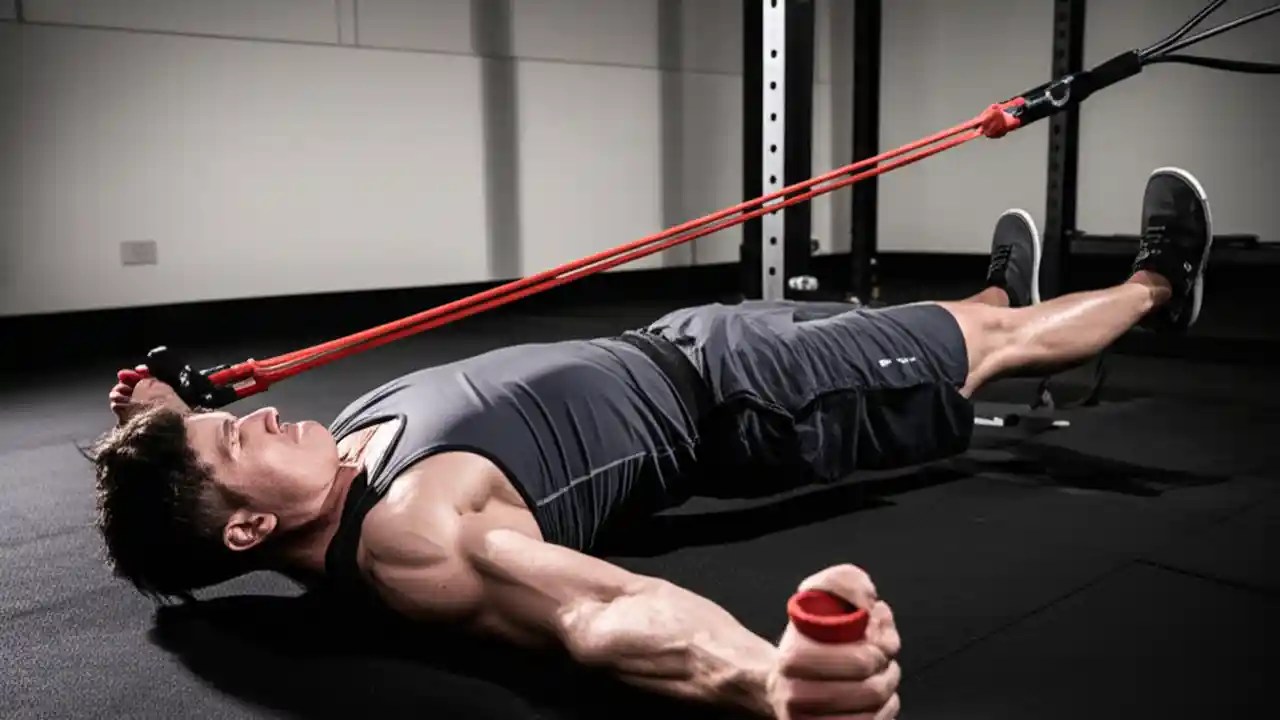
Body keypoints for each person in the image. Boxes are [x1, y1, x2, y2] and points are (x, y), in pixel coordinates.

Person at [90, 167, 1213, 719]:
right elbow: (599, 611)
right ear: (249, 522)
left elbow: (177, 481)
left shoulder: (317, 486)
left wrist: (153, 413)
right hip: (744, 401)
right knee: (982, 353)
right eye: (239, 437)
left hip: (687, 343)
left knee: (953, 324)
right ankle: (1158, 285)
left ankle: (985, 296)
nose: (267, 412)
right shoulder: (415, 540)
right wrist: (766, 681)